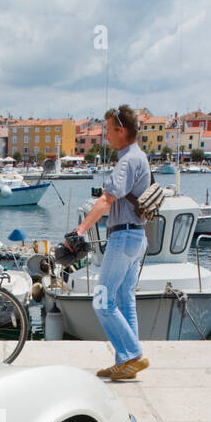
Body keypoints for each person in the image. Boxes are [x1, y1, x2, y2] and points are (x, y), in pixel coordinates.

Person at [72, 104, 151, 381]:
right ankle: (124, 363)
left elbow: (106, 200)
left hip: (123, 236)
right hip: (137, 236)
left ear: (121, 130)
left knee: (102, 302)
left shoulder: (127, 160)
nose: (105, 137)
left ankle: (132, 353)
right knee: (124, 299)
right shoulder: (141, 157)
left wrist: (80, 231)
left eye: (107, 131)